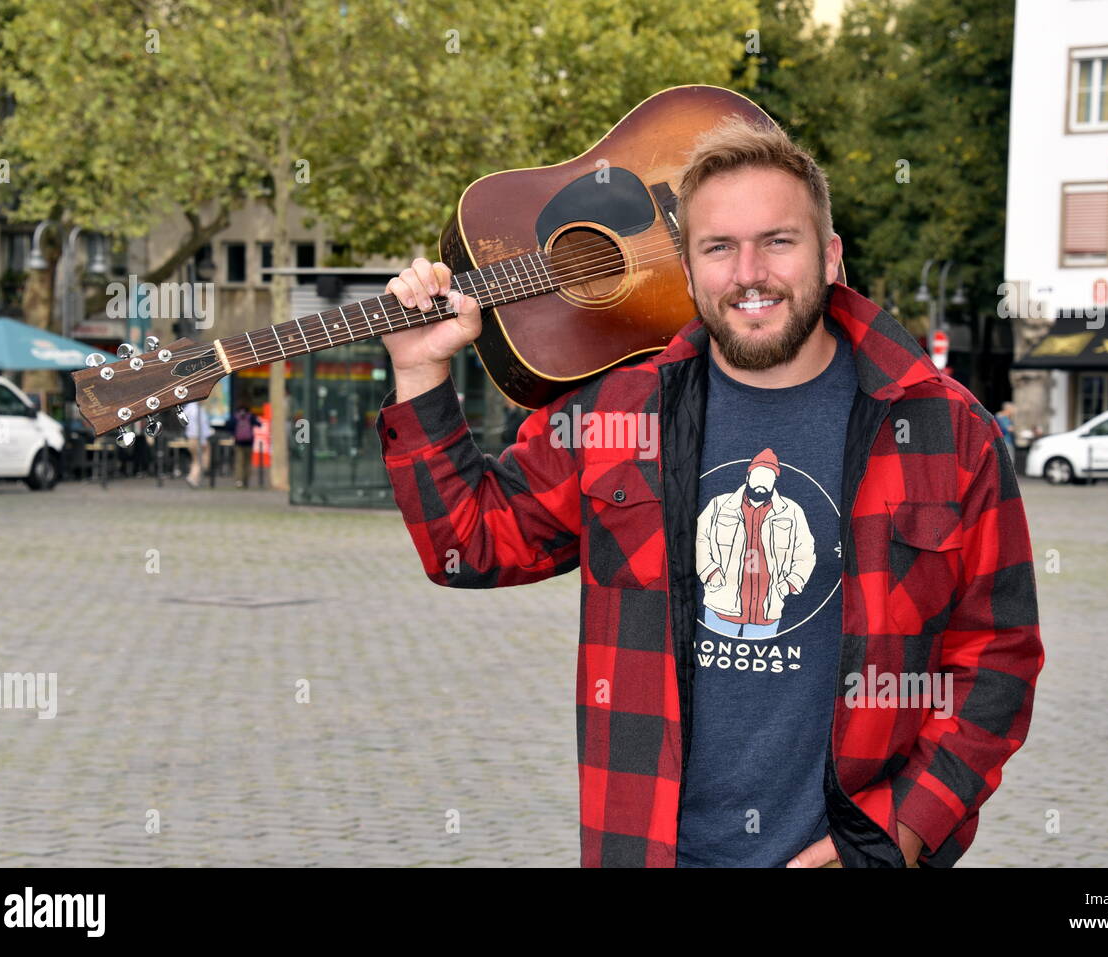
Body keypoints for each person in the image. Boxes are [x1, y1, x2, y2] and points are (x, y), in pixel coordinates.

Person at [374, 114, 1043, 868]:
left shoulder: (948, 430)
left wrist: (900, 831)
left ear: (829, 257)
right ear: (688, 273)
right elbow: (472, 543)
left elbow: (997, 658)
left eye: (777, 241)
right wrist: (421, 372)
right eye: (719, 247)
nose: (748, 272)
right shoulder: (621, 412)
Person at [227, 403, 260, 488]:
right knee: (248, 462)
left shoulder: (235, 416)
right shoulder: (250, 416)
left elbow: (229, 425)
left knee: (239, 462)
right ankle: (246, 481)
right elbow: (259, 424)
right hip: (249, 442)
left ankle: (239, 480)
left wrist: (234, 433)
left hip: (238, 443)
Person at [183, 400, 212, 488]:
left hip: (190, 438)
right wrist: (203, 441)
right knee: (201, 460)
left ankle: (194, 478)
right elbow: (202, 428)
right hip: (198, 438)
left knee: (195, 459)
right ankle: (192, 477)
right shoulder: (198, 411)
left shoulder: (189, 408)